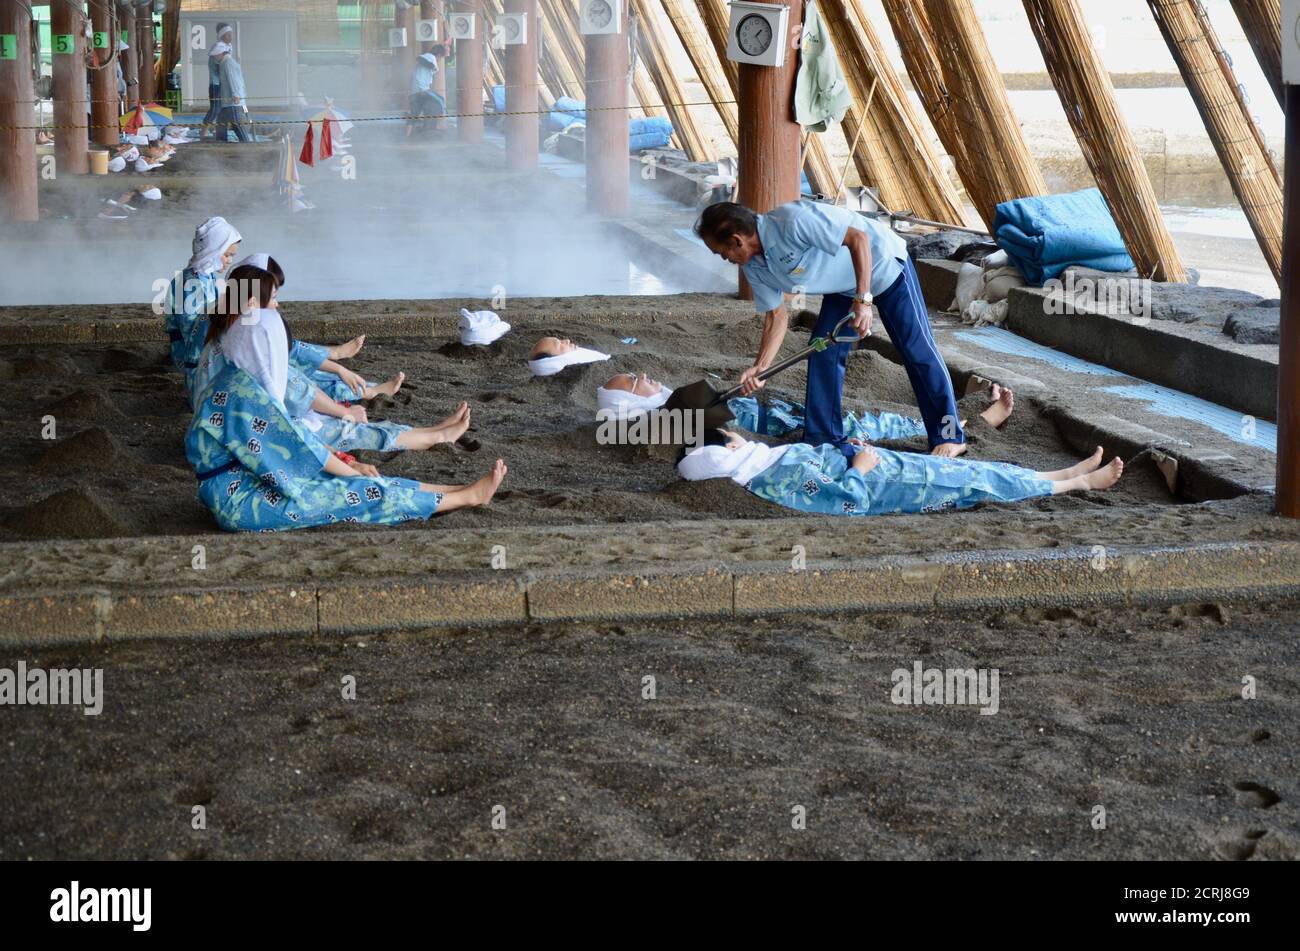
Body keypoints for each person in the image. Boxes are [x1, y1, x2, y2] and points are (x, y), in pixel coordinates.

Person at [187, 264, 507, 532]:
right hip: (241, 502)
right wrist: (351, 468)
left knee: (353, 479)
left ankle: (456, 491)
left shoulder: (237, 375)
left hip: (243, 483)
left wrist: (347, 463)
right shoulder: (244, 393)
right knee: (357, 490)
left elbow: (293, 440)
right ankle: (463, 496)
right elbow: (297, 443)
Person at [695, 200, 969, 458]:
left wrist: (863, 300)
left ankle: (949, 436)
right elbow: (776, 316)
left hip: (884, 267)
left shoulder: (793, 221)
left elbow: (857, 239)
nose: (723, 258)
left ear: (736, 240)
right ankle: (824, 437)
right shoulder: (754, 265)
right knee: (821, 350)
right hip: (842, 287)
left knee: (915, 350)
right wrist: (760, 367)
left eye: (721, 252)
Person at [678, 428, 1124, 517]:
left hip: (886, 467)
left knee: (978, 470)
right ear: (727, 459)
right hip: (889, 484)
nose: (733, 437)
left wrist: (850, 450)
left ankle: (1057, 473)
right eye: (726, 443)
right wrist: (858, 467)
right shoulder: (778, 479)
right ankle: (1078, 483)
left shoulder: (769, 462)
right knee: (972, 484)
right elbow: (841, 501)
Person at [596, 371, 1016, 445]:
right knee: (871, 427)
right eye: (635, 382)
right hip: (786, 427)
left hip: (780, 414)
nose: (646, 376)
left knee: (870, 421)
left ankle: (960, 418)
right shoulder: (666, 416)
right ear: (633, 401)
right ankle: (969, 423)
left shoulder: (675, 408)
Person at [201, 25, 233, 140]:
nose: (230, 37)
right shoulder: (218, 48)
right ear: (222, 35)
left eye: (231, 34)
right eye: (228, 34)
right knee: (215, 108)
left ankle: (216, 130)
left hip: (223, 84)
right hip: (216, 84)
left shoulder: (228, 47)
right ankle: (203, 132)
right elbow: (222, 66)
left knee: (222, 109)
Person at [214, 44, 251, 143]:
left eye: (215, 55)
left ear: (220, 54)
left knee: (237, 125)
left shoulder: (227, 63)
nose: (214, 57)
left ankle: (248, 147)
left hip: (233, 102)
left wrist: (236, 94)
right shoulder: (225, 63)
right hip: (228, 102)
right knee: (221, 122)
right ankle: (221, 143)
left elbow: (233, 79)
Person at [408, 51, 446, 138]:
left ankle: (407, 136)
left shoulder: (423, 64)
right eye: (440, 58)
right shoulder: (431, 57)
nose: (439, 60)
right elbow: (419, 58)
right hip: (422, 90)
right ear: (439, 55)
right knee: (440, 100)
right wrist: (431, 65)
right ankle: (441, 125)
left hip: (415, 92)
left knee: (413, 115)